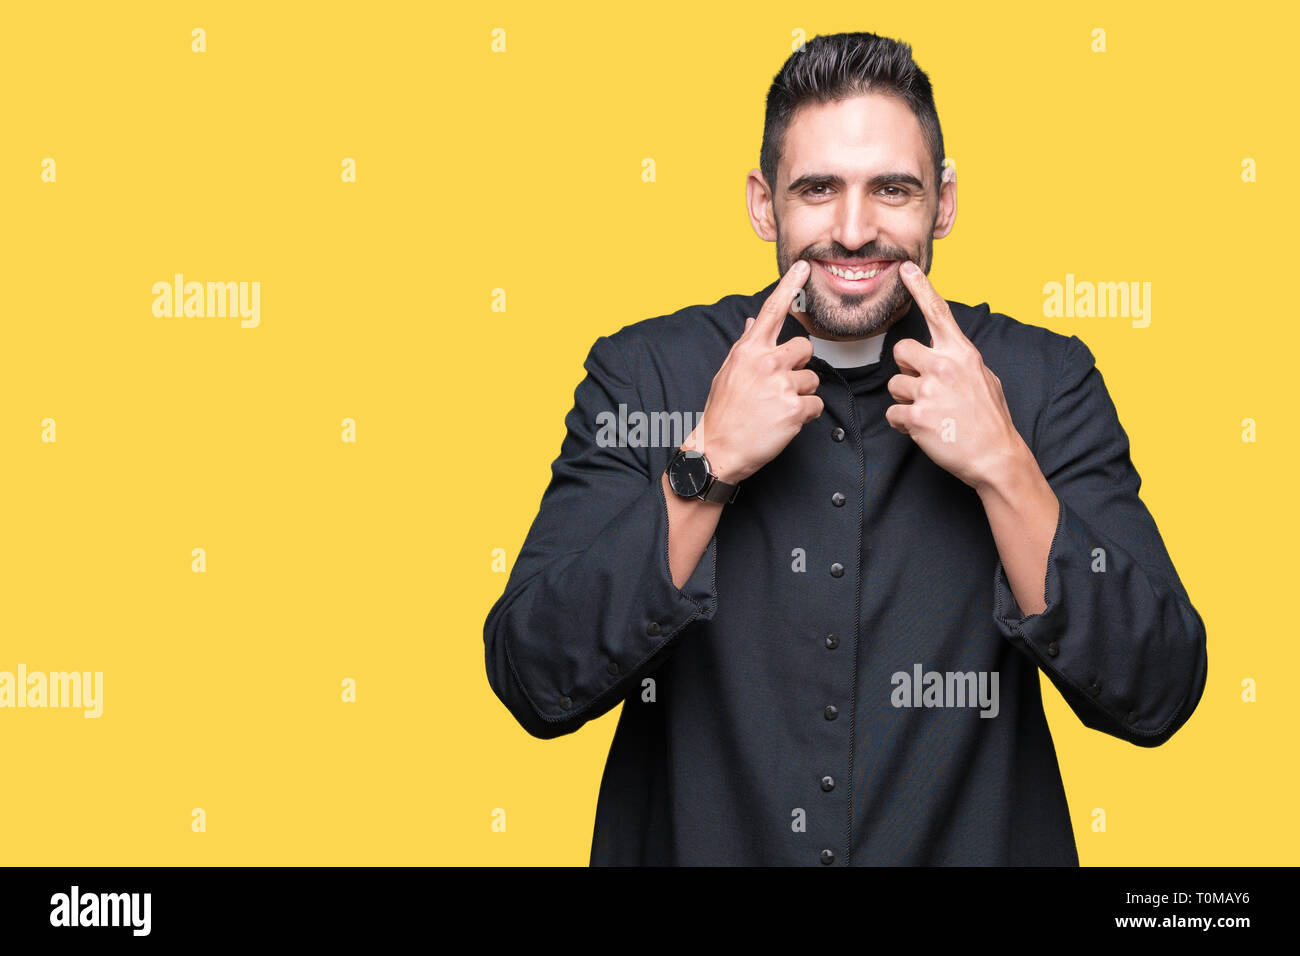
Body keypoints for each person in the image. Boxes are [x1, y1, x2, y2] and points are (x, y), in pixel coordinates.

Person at [483, 31, 1208, 866]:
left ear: (943, 201)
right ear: (764, 204)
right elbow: (533, 678)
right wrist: (705, 467)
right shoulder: (644, 374)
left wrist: (1006, 466)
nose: (855, 230)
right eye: (818, 189)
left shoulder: (1045, 381)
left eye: (892, 189)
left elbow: (1158, 691)